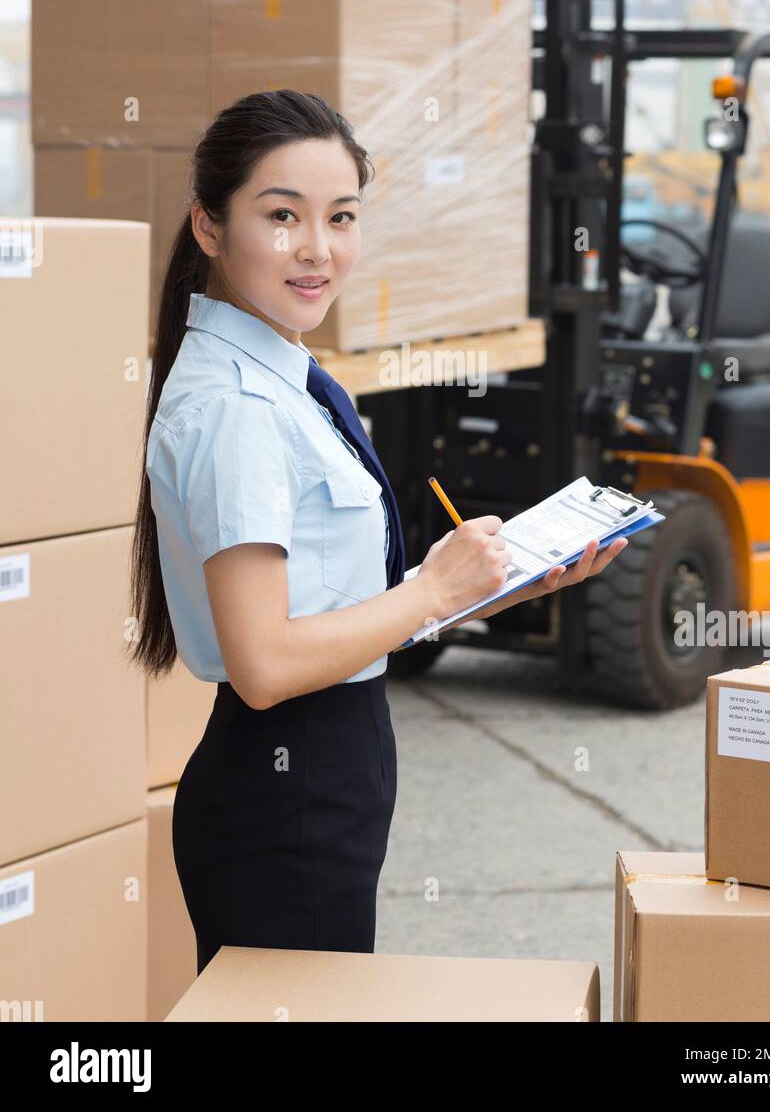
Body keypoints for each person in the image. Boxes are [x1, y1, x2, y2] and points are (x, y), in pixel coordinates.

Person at [128, 89, 627, 975]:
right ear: (208, 227)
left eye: (342, 216)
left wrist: (486, 585)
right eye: (281, 216)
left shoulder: (281, 373)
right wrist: (430, 592)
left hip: (320, 772)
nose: (318, 249)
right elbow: (266, 662)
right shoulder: (238, 407)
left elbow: (327, 599)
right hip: (288, 787)